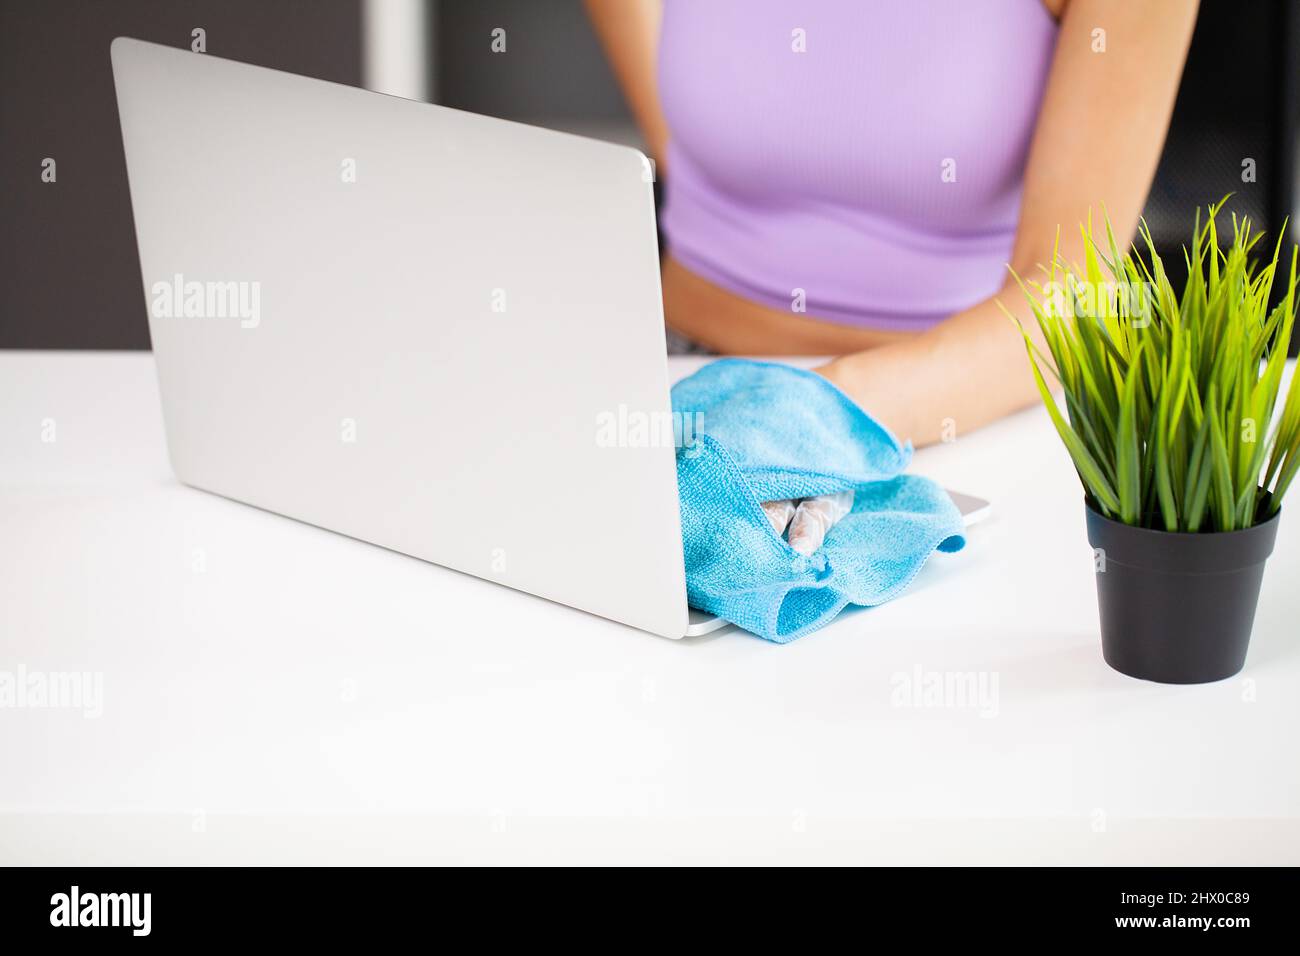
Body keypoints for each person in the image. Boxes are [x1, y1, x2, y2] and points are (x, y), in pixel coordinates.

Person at [585, 0, 1197, 551]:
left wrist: (809, 418)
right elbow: (681, 158)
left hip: (964, 420)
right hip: (676, 378)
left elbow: (1069, 291)